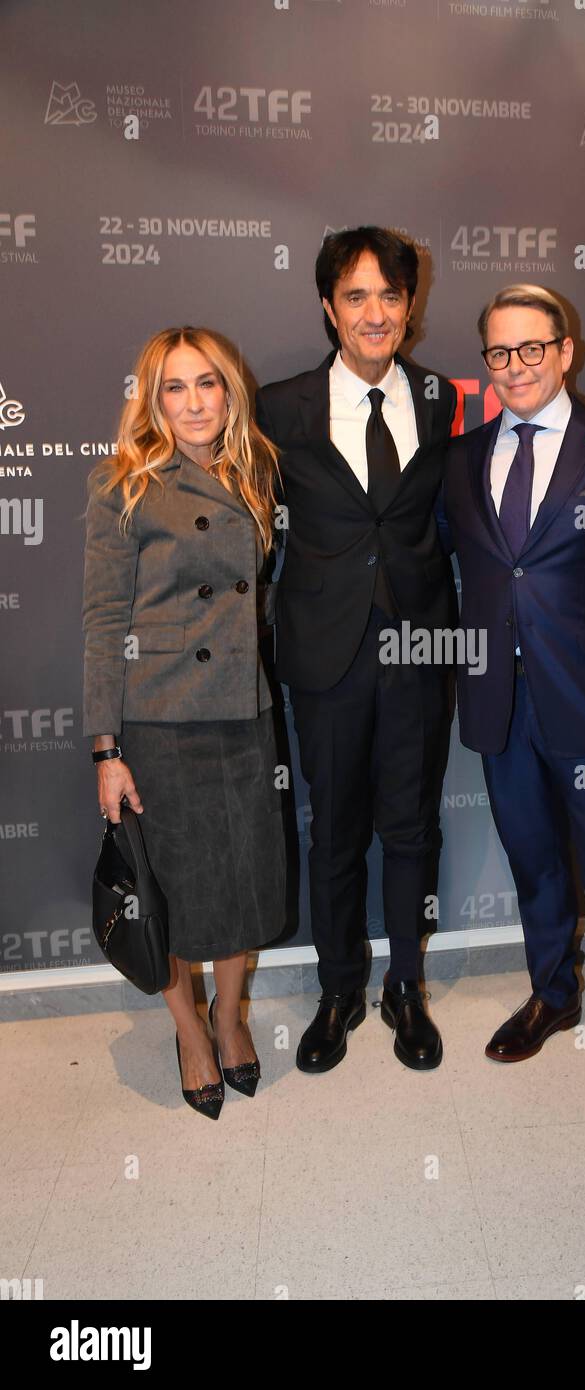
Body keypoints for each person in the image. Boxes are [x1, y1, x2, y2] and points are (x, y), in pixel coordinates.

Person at [443, 285, 585, 1124]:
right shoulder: (463, 458)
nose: (516, 368)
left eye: (531, 350)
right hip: (501, 706)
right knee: (533, 861)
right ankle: (552, 992)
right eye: (499, 354)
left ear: (565, 350)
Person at [256, 226, 456, 1073]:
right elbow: (250, 532)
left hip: (420, 646)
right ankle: (338, 987)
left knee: (411, 828)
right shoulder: (278, 407)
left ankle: (405, 985)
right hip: (325, 652)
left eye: (390, 295)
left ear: (410, 307)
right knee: (334, 830)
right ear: (329, 309)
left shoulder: (444, 399)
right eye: (356, 295)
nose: (375, 312)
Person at [83, 326, 296, 1120]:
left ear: (229, 389)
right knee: (169, 889)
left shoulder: (257, 469)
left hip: (245, 712)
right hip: (161, 720)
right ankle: (190, 1035)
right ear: (152, 398)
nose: (194, 401)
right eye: (175, 387)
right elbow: (104, 620)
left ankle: (230, 1017)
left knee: (243, 883)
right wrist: (107, 748)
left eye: (208, 383)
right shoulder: (125, 483)